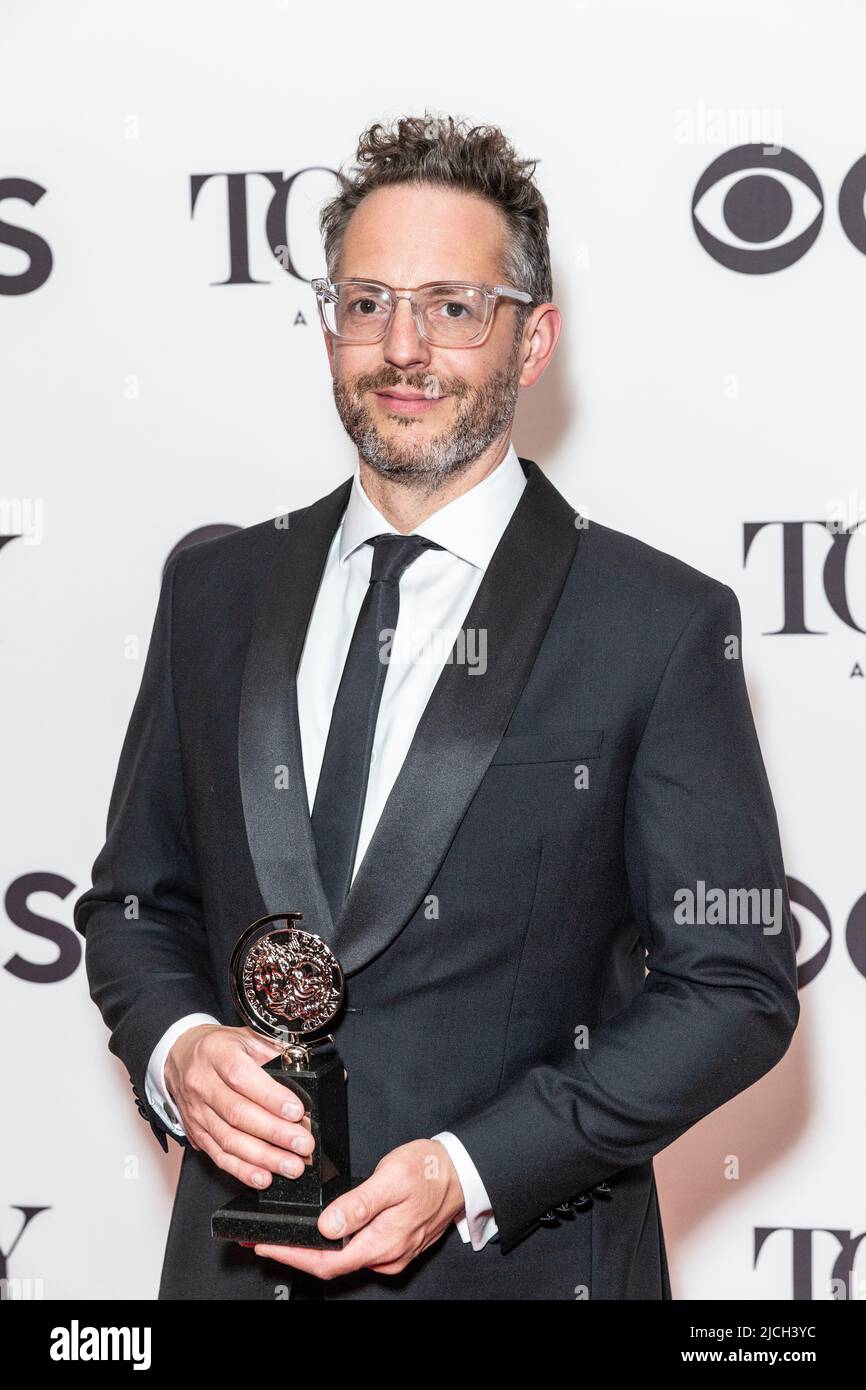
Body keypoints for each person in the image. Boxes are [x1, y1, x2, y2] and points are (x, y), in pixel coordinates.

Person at [74, 112, 799, 1301]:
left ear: (531, 340)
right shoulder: (213, 590)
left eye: (452, 306)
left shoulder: (653, 622)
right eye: (366, 303)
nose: (401, 346)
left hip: (519, 1269)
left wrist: (469, 1170)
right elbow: (134, 903)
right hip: (230, 1274)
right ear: (328, 330)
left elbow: (732, 986)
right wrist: (179, 1048)